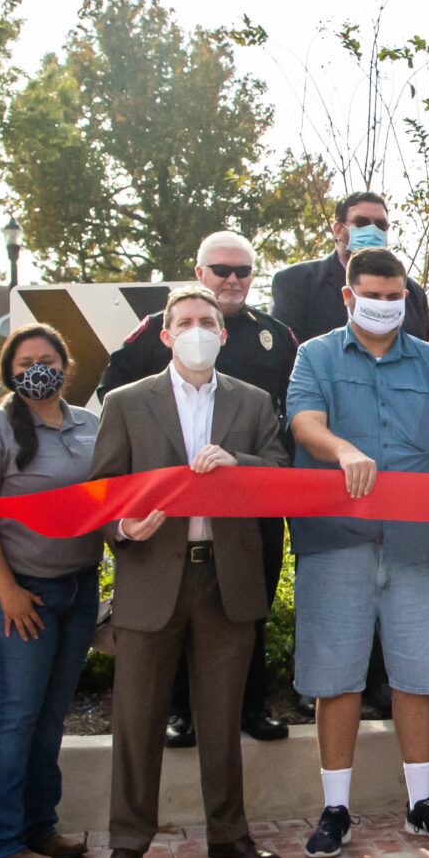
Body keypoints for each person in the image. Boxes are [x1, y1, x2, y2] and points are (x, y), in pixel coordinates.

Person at [92, 286, 290, 858]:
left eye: (208, 321)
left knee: (222, 716)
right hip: (152, 577)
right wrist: (123, 527)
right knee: (138, 720)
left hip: (225, 578)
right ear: (167, 333)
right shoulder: (127, 402)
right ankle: (128, 844)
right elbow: (102, 491)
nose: (198, 328)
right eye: (186, 321)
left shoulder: (253, 402)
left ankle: (229, 833)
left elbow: (280, 476)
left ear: (223, 335)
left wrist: (240, 467)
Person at [288, 248, 429, 858]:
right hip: (335, 543)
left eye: (395, 297)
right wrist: (342, 450)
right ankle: (335, 809)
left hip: (419, 548)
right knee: (334, 677)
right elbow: (304, 424)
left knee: (419, 676)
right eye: (373, 294)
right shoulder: (314, 355)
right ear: (349, 296)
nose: (385, 305)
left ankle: (422, 805)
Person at [98, 230, 296, 744]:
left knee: (247, 607)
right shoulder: (152, 330)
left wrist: (249, 464)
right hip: (171, 514)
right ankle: (181, 713)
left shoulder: (275, 335)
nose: (232, 279)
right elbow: (113, 389)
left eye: (242, 271)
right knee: (175, 612)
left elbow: (289, 419)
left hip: (248, 511)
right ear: (200, 271)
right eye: (221, 270)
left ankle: (251, 707)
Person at [0, 325, 105, 858]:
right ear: (9, 371)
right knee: (17, 715)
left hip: (78, 588)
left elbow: (107, 498)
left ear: (66, 365)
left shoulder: (91, 424)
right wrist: (8, 591)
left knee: (50, 715)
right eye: (25, 362)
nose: (36, 368)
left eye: (47, 359)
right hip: (19, 592)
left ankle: (39, 826)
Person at [270, 190, 429, 343]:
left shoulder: (413, 294)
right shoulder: (297, 282)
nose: (372, 230)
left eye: (380, 225)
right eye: (361, 223)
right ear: (338, 229)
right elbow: (284, 353)